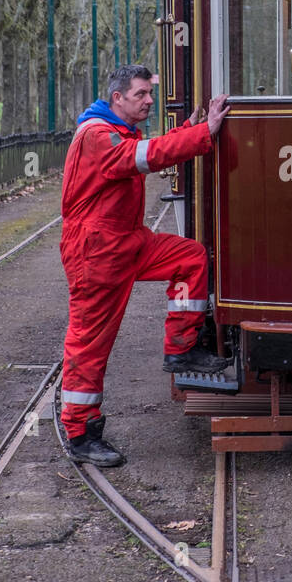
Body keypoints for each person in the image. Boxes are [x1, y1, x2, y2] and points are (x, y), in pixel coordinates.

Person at [59, 64, 231, 467]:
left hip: (126, 240)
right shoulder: (96, 137)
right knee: (90, 342)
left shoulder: (112, 129)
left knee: (190, 258)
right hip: (97, 252)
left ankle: (181, 350)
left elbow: (150, 146)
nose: (149, 101)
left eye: (149, 93)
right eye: (141, 94)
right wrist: (203, 133)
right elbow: (146, 156)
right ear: (117, 98)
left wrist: (190, 125)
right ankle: (80, 432)